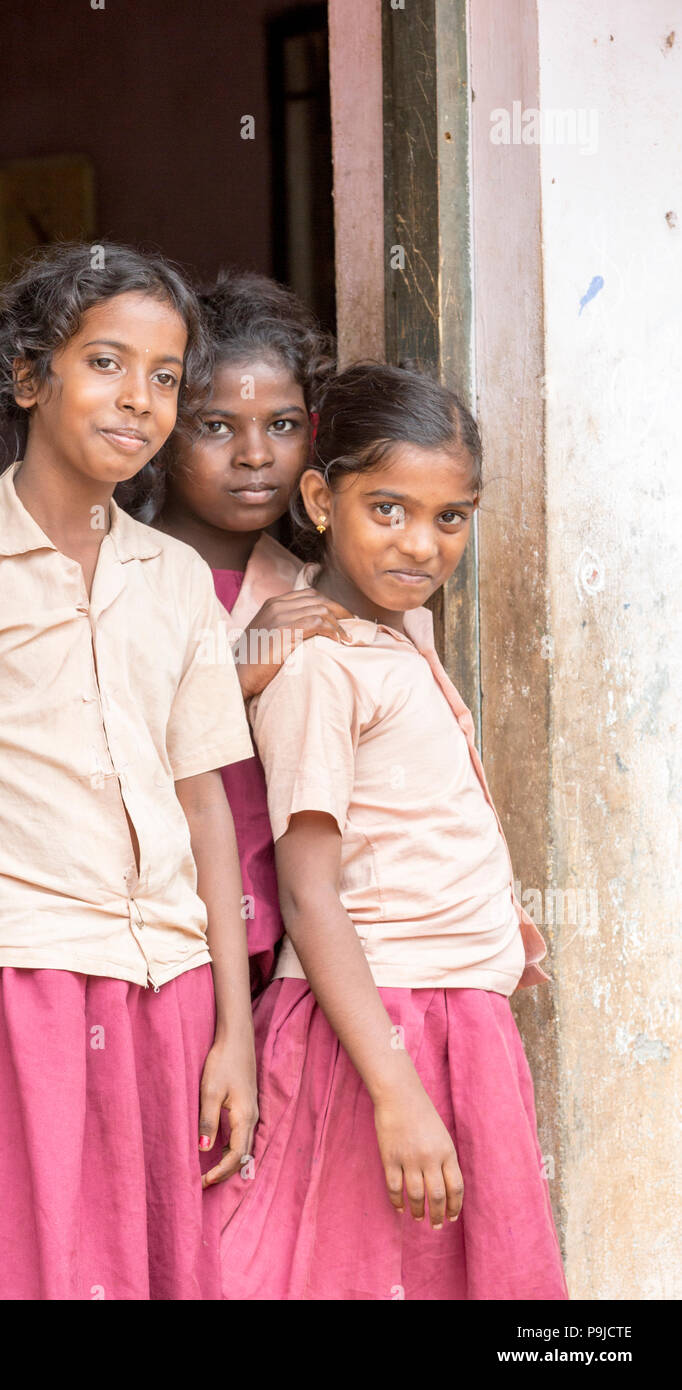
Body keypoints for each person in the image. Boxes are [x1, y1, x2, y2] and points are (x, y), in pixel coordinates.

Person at [0, 241, 257, 1300]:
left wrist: (233, 1032)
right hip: (10, 982)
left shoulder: (175, 582)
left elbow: (202, 804)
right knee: (1, 1272)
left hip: (162, 998)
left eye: (165, 377)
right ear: (30, 377)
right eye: (106, 363)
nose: (139, 399)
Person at [219, 363, 569, 1300]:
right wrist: (396, 1088)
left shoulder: (402, 634)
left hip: (455, 1016)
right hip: (370, 1029)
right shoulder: (319, 667)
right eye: (388, 510)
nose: (421, 543)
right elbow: (308, 891)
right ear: (320, 499)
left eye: (450, 516)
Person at [120, 272, 349, 992]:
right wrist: (237, 667)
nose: (255, 455)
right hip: (159, 945)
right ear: (161, 431)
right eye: (217, 426)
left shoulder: (315, 588)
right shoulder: (114, 577)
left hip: (291, 955)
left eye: (281, 425)